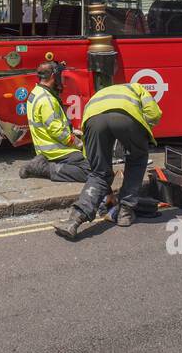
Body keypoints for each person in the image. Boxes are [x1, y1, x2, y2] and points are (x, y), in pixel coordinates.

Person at [54, 80, 163, 240]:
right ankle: (125, 212)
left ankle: (74, 221)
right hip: (126, 116)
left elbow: (92, 148)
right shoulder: (136, 87)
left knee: (98, 173)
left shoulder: (100, 95)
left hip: (93, 119)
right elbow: (154, 114)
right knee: (137, 159)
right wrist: (139, 132)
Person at [19, 61, 90, 183]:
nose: (62, 79)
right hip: (57, 150)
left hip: (45, 148)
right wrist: (77, 142)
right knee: (91, 172)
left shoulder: (36, 92)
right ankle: (45, 168)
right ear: (53, 76)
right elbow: (56, 131)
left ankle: (43, 163)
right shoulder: (47, 100)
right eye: (60, 75)